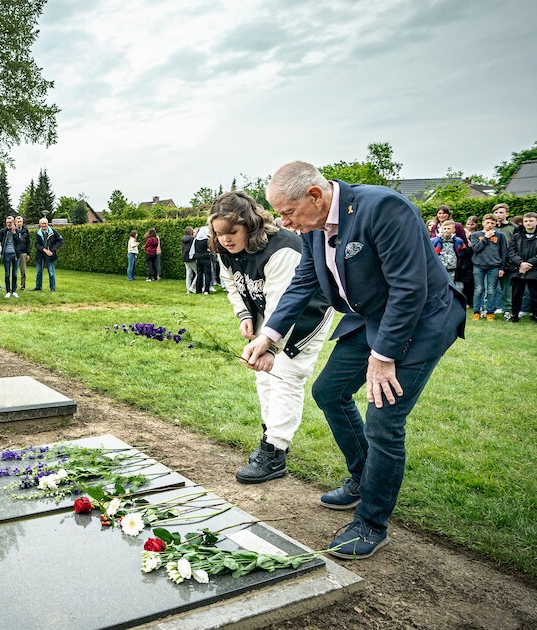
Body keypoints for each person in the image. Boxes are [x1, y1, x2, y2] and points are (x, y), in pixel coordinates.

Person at [242, 161, 465, 560]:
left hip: (420, 318)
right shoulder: (312, 228)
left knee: (384, 419)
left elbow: (409, 288)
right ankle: (363, 477)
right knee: (329, 391)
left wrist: (384, 356)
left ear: (315, 196)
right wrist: (268, 336)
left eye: (288, 213)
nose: (285, 223)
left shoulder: (383, 208)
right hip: (371, 317)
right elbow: (304, 283)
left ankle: (371, 522)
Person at [212, 193, 334, 484]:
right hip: (268, 316)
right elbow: (232, 284)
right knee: (264, 377)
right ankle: (269, 438)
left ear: (251, 225)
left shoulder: (283, 249)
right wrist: (244, 316)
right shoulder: (224, 249)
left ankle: (276, 452)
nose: (226, 240)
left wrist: (272, 346)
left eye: (232, 232)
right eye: (219, 234)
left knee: (286, 376)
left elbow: (285, 302)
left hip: (305, 315)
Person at [506, 212, 537, 323]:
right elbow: (511, 252)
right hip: (518, 269)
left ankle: (535, 315)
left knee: (534, 294)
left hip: (535, 269)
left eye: (531, 221)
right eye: (526, 221)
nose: (528, 223)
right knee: (516, 294)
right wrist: (521, 263)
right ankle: (514, 315)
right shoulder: (517, 236)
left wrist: (529, 264)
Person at [470, 215, 507, 321]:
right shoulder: (475, 235)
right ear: (482, 223)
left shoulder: (500, 235)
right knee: (479, 289)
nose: (489, 225)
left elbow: (503, 252)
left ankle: (490, 312)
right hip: (478, 266)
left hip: (494, 267)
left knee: (491, 290)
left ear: (495, 224)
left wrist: (502, 268)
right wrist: (486, 237)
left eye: (492, 223)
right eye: (487, 222)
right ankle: (477, 312)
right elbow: (476, 248)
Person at [493, 203, 517, 314]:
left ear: (507, 214)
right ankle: (494, 307)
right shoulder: (491, 227)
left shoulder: (513, 228)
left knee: (507, 287)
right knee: (492, 287)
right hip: (492, 261)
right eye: (496, 212)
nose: (498, 215)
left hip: (508, 262)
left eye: (501, 212)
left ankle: (507, 308)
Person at [431, 220, 467, 294]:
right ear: (441, 229)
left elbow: (463, 250)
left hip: (452, 267)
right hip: (439, 267)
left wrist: (459, 256)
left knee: (450, 286)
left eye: (449, 228)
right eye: (444, 228)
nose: (446, 230)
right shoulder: (435, 241)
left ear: (453, 230)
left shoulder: (458, 241)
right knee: (439, 285)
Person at [33, 217, 63, 291]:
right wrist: (44, 250)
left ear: (47, 224)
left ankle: (52, 288)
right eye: (42, 224)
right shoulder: (38, 233)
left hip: (50, 255)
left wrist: (54, 248)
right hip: (40, 255)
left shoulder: (53, 232)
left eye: (45, 223)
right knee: (39, 272)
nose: (44, 225)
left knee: (51, 272)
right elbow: (36, 244)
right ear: (40, 224)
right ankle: (38, 287)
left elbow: (60, 241)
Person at [0, 216, 21, 297]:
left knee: (15, 273)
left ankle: (14, 290)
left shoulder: (17, 231)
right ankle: (8, 291)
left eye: (10, 222)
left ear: (13, 223)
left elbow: (19, 241)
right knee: (7, 273)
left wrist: (14, 232)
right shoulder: (3, 231)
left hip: (15, 254)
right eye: (7, 222)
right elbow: (0, 240)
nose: (9, 224)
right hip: (6, 254)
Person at [192, 224, 213, 294]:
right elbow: (211, 248)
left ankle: (198, 290)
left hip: (198, 259)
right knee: (207, 274)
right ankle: (206, 289)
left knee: (199, 274)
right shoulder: (207, 240)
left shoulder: (196, 240)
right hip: (206, 258)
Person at [15, 215, 31, 289]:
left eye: (20, 222)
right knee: (14, 270)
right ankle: (14, 285)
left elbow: (28, 243)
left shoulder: (25, 231)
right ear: (15, 223)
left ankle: (23, 286)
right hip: (15, 252)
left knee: (23, 271)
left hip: (23, 252)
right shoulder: (13, 231)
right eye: (18, 222)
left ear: (22, 222)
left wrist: (28, 254)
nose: (19, 223)